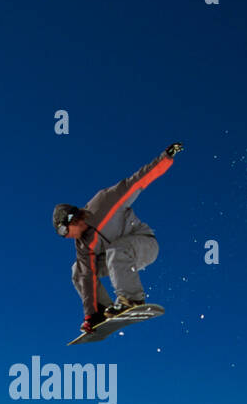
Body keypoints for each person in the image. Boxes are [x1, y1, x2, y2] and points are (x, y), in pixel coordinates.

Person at [54, 142, 184, 333]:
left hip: (143, 244)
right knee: (78, 271)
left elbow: (137, 182)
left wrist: (165, 158)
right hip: (118, 262)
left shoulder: (103, 203)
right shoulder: (83, 243)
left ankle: (132, 299)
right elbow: (87, 277)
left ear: (70, 220)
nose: (65, 237)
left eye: (63, 232)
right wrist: (90, 316)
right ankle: (102, 311)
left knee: (116, 249)